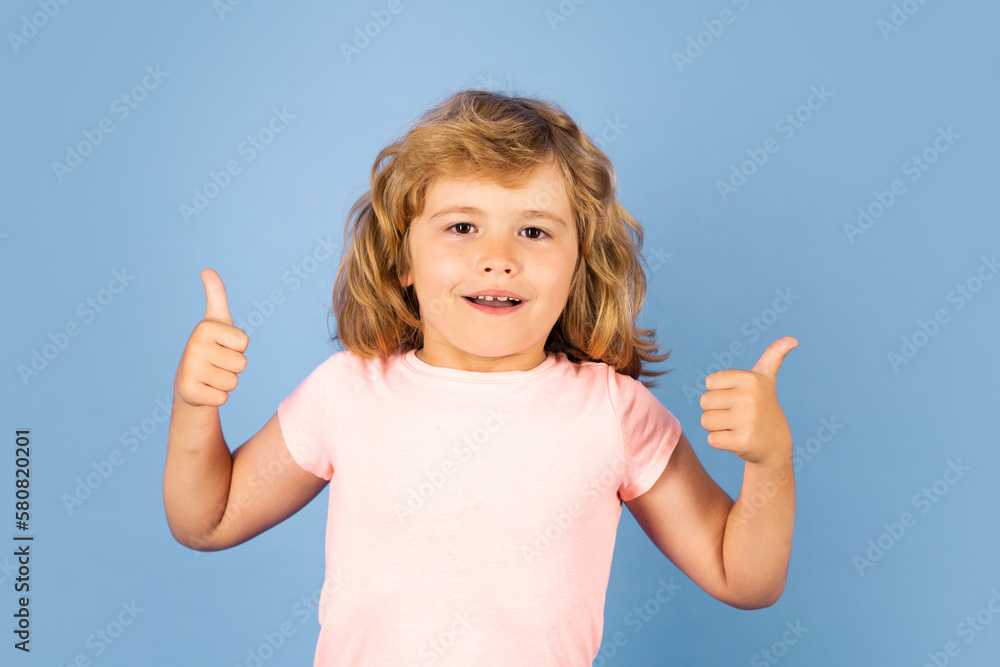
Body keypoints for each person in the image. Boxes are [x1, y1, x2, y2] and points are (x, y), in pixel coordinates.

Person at [163, 89, 798, 666]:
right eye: (462, 227)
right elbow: (208, 519)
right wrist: (194, 405)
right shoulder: (346, 392)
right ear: (403, 259)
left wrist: (770, 460)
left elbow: (743, 578)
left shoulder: (614, 411)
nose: (498, 258)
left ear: (578, 265)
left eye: (534, 231)